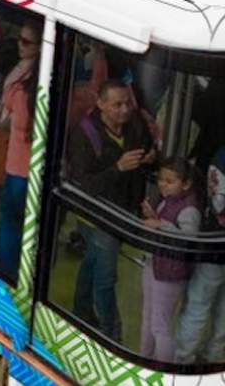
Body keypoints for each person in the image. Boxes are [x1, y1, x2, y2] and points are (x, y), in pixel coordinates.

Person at [67, 78, 156, 341]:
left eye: (127, 102)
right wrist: (118, 168)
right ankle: (111, 336)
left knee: (92, 261)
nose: (124, 109)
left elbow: (146, 155)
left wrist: (148, 160)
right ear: (100, 104)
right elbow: (84, 184)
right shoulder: (84, 134)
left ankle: (81, 309)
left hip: (123, 211)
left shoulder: (134, 126)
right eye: (117, 104)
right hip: (97, 217)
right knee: (106, 279)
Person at [139, 158, 201, 363]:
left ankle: (161, 368)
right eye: (161, 179)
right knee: (148, 318)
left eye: (170, 180)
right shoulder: (169, 200)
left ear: (186, 184)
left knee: (160, 325)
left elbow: (187, 241)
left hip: (169, 273)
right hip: (155, 265)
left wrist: (160, 224)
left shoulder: (189, 209)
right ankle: (143, 359)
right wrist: (154, 215)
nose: (163, 184)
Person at [0, 23, 40, 280]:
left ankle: (6, 268)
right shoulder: (51, 91)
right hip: (35, 170)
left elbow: (3, 118)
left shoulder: (18, 89)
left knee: (9, 220)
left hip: (15, 165)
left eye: (26, 41)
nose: (19, 45)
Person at [175, 148, 225, 364]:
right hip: (215, 246)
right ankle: (213, 355)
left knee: (198, 305)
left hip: (214, 247)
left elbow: (218, 204)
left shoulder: (221, 157)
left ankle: (183, 360)